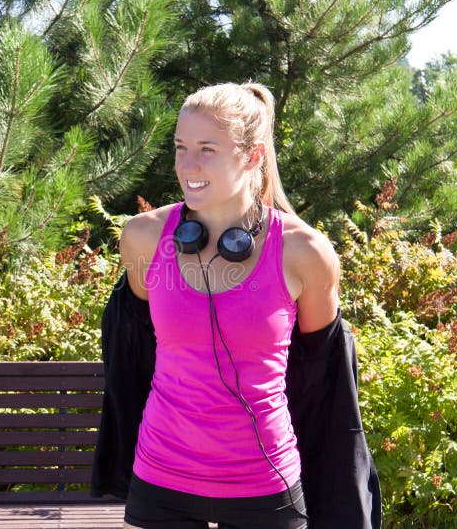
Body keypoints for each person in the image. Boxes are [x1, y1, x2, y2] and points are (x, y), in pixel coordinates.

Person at [117, 82, 341, 529]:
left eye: (207, 149)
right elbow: (133, 348)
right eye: (181, 148)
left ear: (253, 156)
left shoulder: (304, 251)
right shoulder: (143, 238)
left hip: (264, 480)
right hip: (161, 475)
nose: (188, 165)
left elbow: (323, 373)